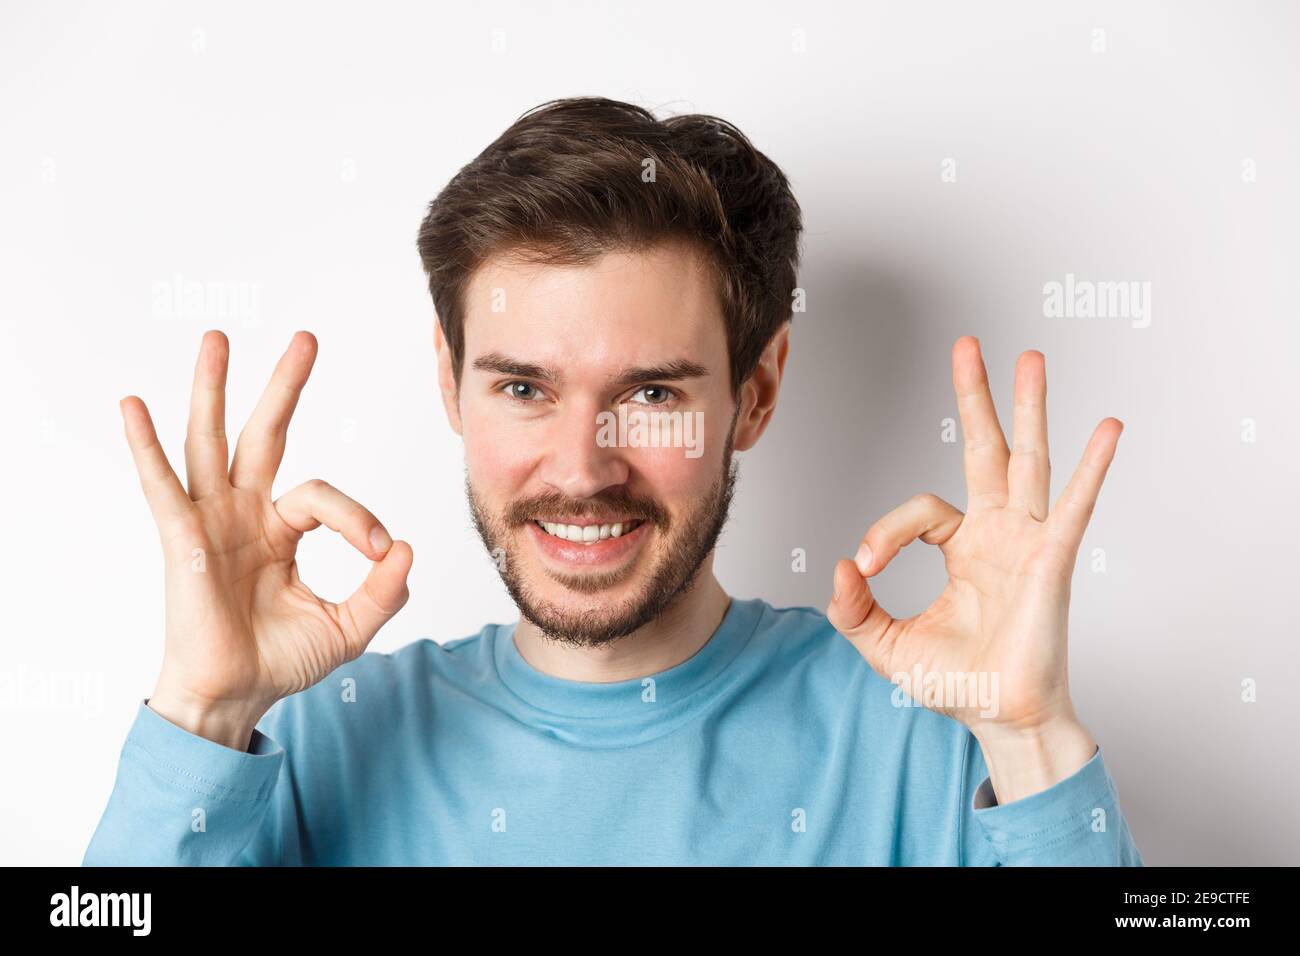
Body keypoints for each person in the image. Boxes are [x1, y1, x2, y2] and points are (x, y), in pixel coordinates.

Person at [84, 97, 1142, 865]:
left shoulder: (932, 740)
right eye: (523, 387)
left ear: (757, 391)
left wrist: (1032, 737)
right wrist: (200, 712)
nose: (582, 467)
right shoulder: (318, 740)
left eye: (649, 393)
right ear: (452, 386)